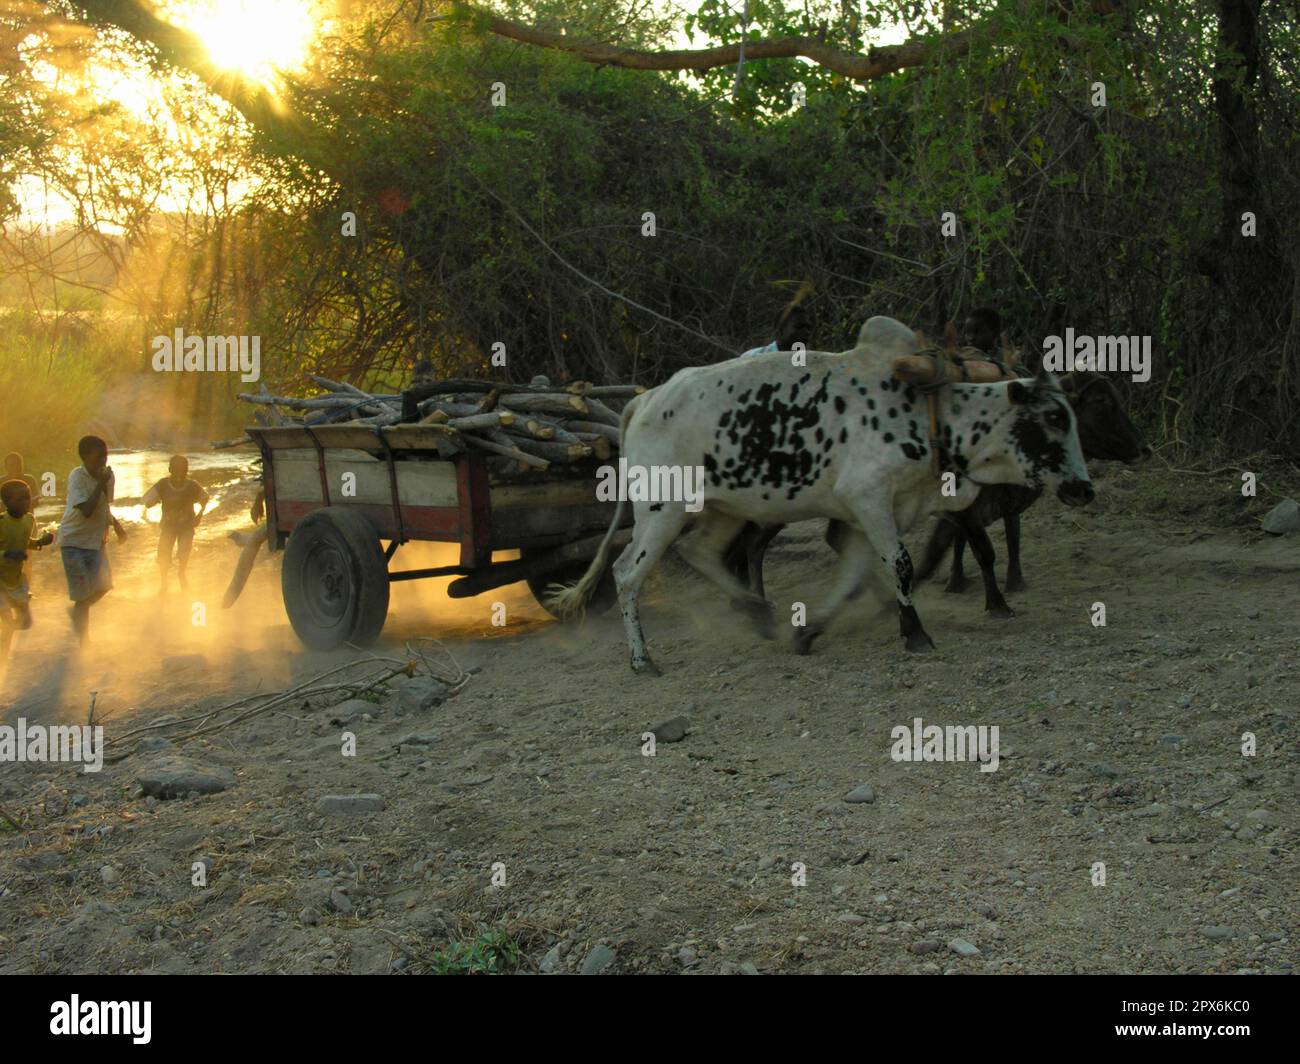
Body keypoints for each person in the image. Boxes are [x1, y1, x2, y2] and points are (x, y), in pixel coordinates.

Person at [59, 435, 125, 644]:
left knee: (104, 586)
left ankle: (78, 612)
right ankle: (83, 640)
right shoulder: (77, 477)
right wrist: (100, 483)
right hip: (73, 542)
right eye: (98, 457)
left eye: (105, 456)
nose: (103, 461)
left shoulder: (107, 476)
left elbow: (104, 505)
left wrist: (115, 524)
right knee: (82, 595)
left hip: (96, 541)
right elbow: (87, 510)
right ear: (85, 457)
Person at [0, 479, 54, 659]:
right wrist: (8, 554)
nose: (25, 502)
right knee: (7, 620)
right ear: (6, 502)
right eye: (19, 499)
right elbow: (10, 548)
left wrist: (39, 542)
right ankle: (3, 659)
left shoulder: (29, 520)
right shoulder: (1, 522)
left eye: (27, 498)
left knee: (25, 623)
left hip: (16, 580)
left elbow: (25, 542)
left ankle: (3, 643)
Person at [142, 455, 209, 590]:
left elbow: (205, 498)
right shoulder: (162, 485)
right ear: (170, 469)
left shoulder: (192, 486)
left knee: (184, 551)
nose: (180, 473)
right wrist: (153, 501)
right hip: (168, 526)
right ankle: (164, 580)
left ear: (187, 470)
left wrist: (200, 515)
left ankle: (181, 572)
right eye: (176, 469)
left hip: (187, 526)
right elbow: (146, 500)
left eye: (183, 470)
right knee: (164, 554)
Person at [739, 281, 817, 357]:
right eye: (799, 327)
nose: (806, 332)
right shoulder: (752, 358)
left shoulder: (812, 361)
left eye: (808, 328)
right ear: (780, 329)